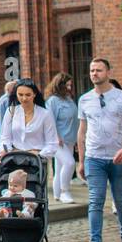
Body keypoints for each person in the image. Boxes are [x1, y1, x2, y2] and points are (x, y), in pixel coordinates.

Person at [0, 78, 58, 159]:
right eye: (20, 95)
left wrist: (40, 154)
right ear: (16, 94)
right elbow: (5, 138)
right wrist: (5, 151)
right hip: (14, 159)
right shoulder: (11, 111)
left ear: (34, 94)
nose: (24, 98)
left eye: (28, 95)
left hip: (37, 160)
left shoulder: (45, 114)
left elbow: (52, 143)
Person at [44, 73, 80, 203]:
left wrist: (77, 138)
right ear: (60, 85)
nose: (70, 87)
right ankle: (65, 191)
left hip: (70, 138)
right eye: (67, 84)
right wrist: (56, 136)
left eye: (71, 85)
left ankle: (57, 193)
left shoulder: (69, 99)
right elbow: (50, 120)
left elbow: (75, 119)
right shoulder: (52, 101)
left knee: (60, 167)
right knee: (69, 163)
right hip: (58, 140)